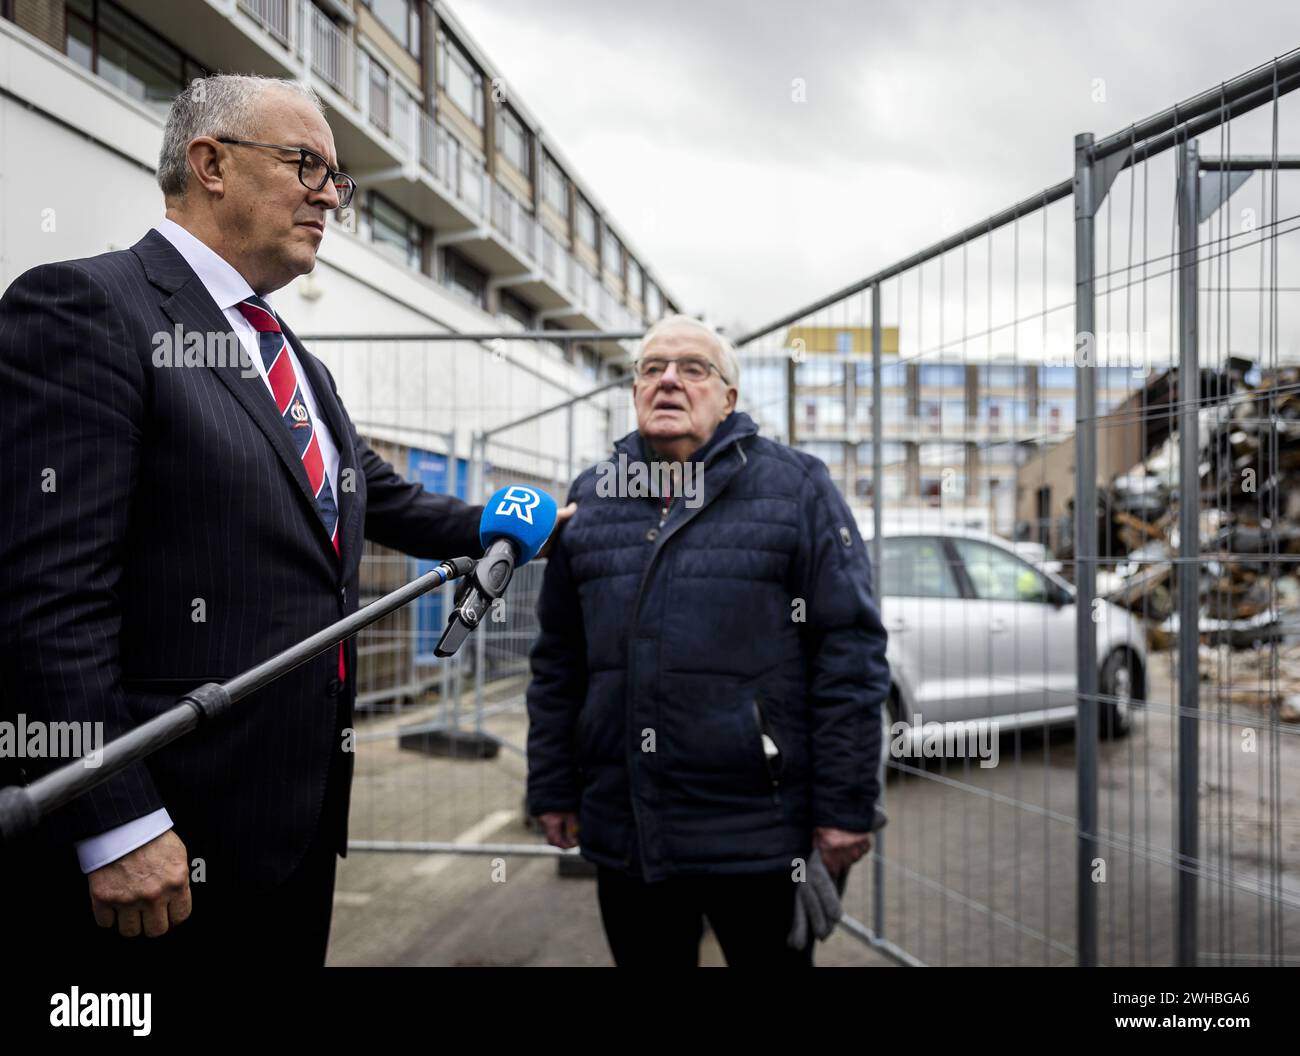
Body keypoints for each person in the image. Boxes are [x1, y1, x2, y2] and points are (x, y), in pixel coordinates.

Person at [0, 74, 540, 967]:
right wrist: (115, 818)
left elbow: (381, 499)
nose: (331, 195)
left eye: (338, 179)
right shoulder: (85, 309)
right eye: (307, 166)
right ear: (209, 163)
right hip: (157, 843)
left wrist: (520, 518)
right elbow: (42, 600)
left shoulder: (293, 359)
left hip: (294, 824)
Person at [526, 315, 890, 966]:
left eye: (693, 368)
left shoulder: (798, 488)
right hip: (628, 834)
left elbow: (851, 655)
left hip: (760, 834)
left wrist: (845, 805)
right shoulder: (590, 498)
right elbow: (559, 661)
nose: (669, 380)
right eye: (651, 368)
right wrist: (551, 786)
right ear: (635, 389)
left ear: (729, 397)